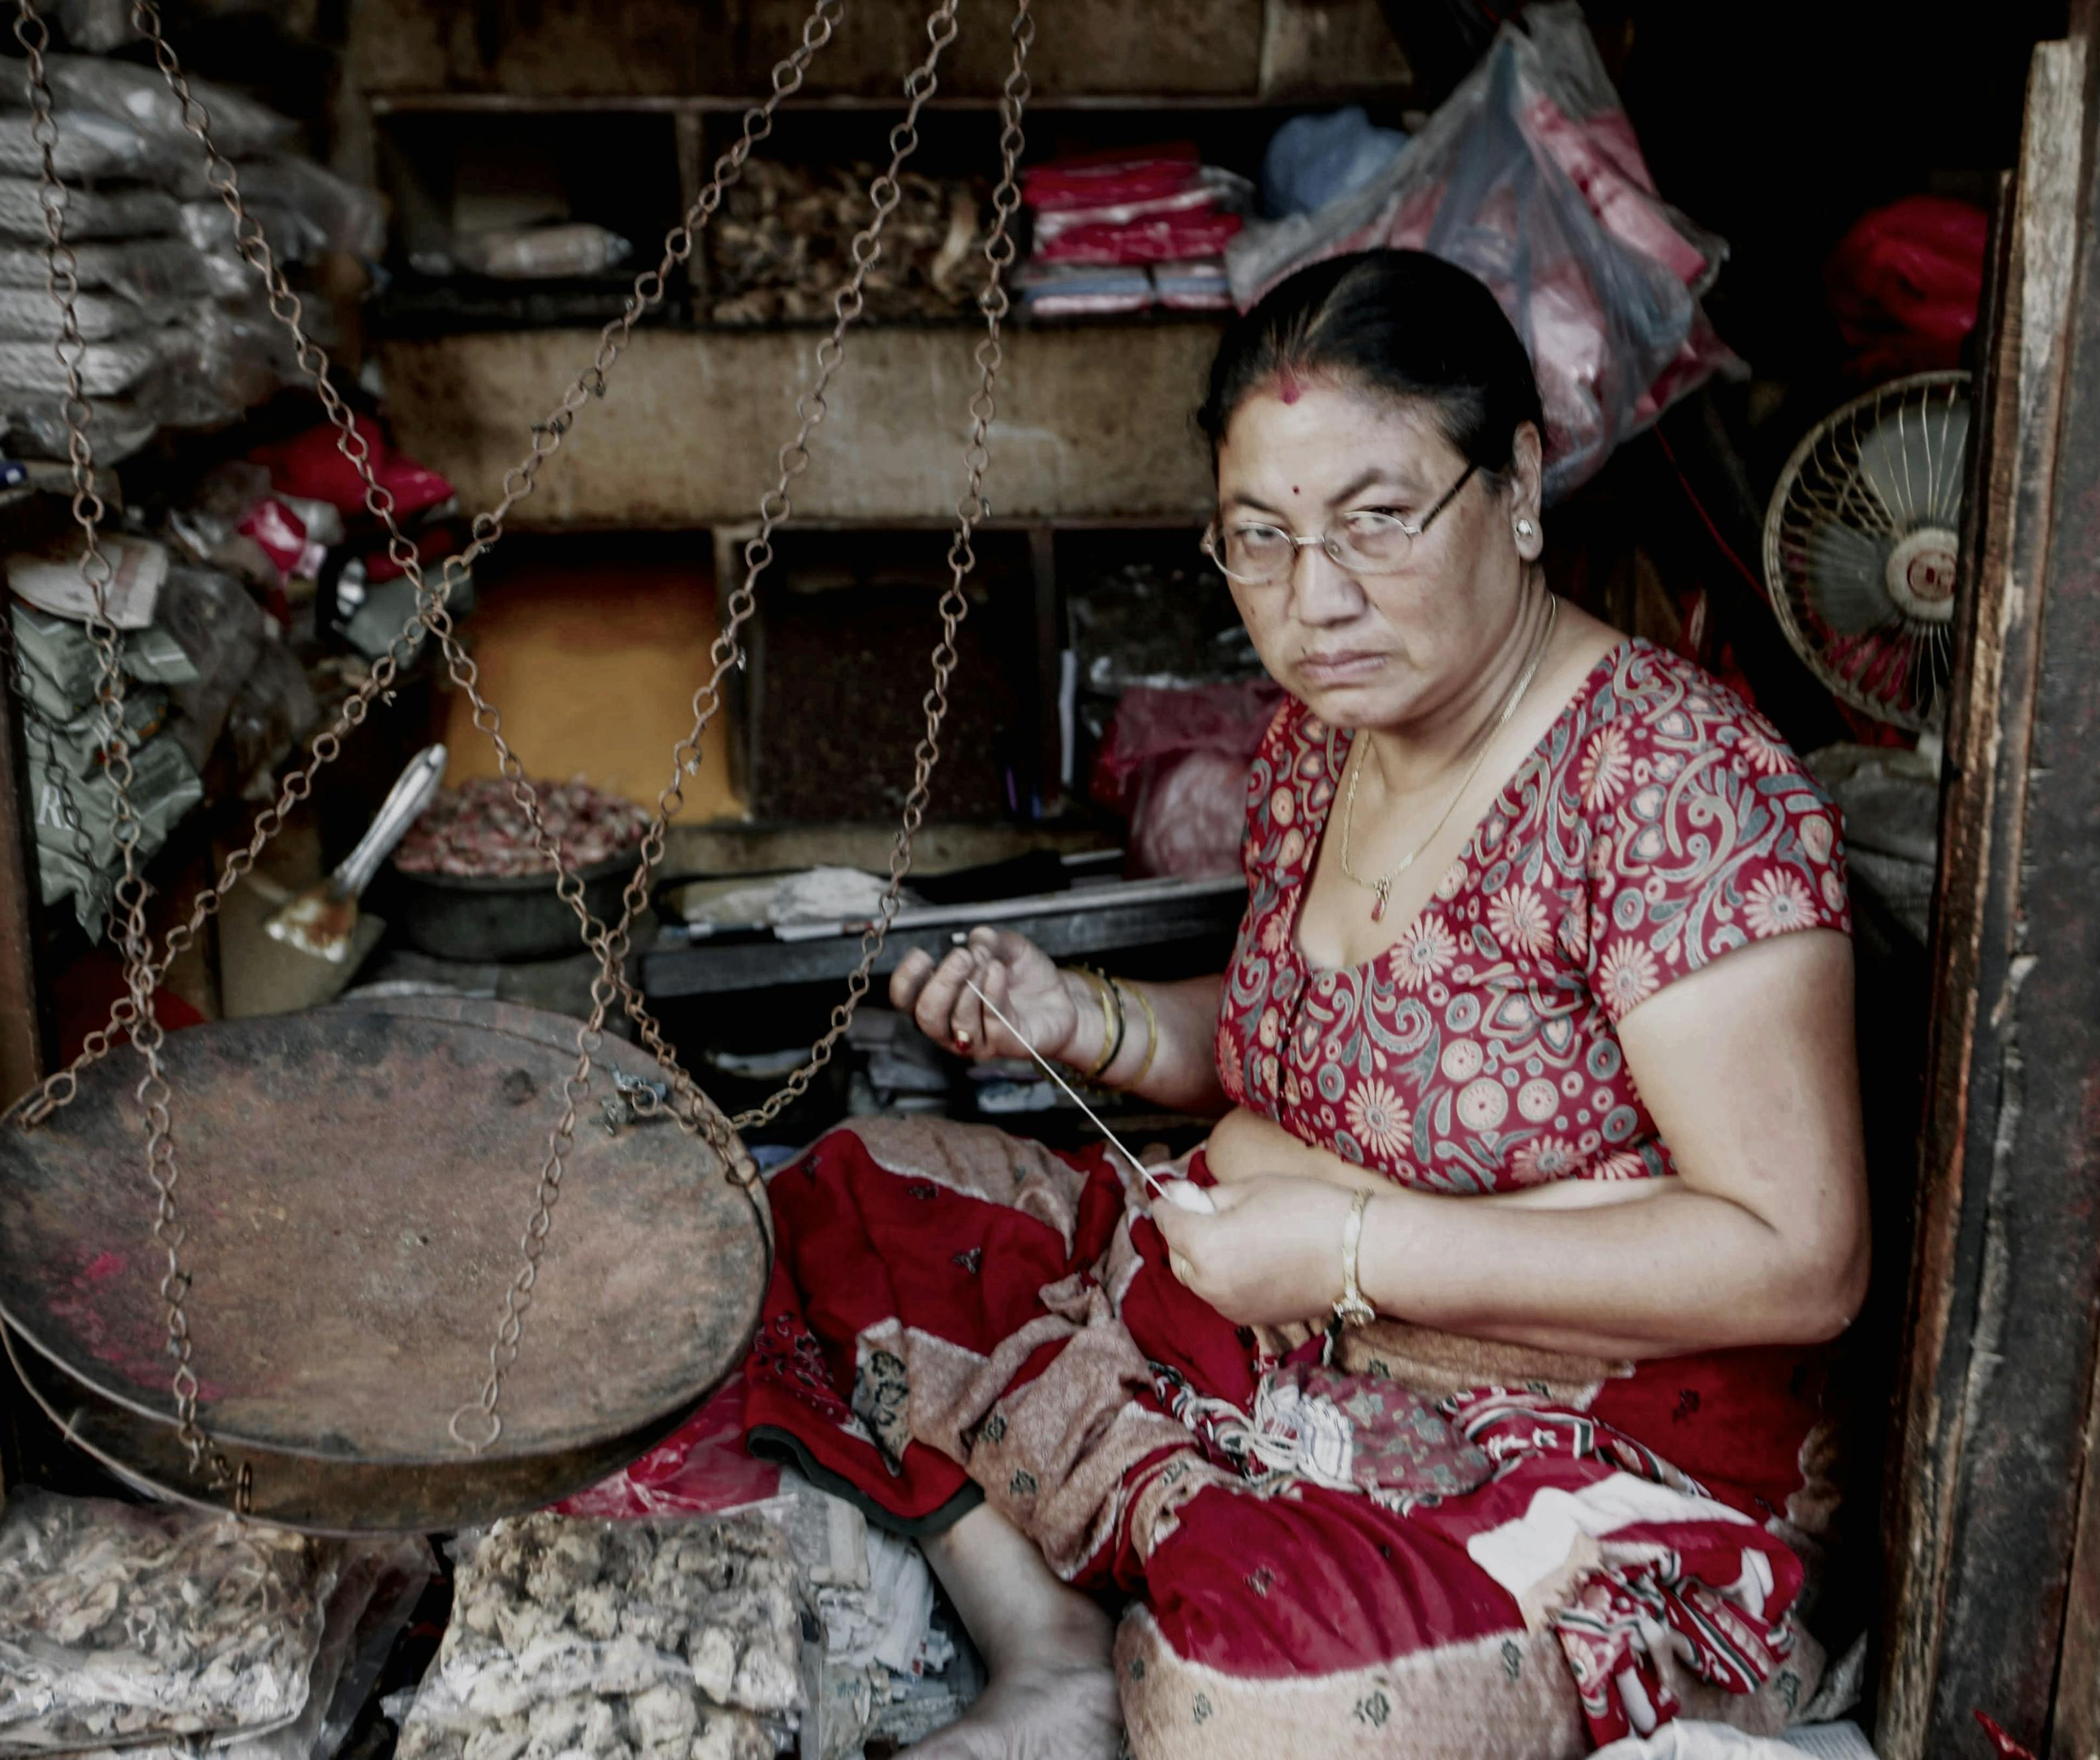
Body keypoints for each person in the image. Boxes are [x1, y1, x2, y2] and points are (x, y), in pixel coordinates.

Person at [740, 249, 1869, 1759]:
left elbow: (1797, 1259)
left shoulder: (1666, 784)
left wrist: (1345, 1245)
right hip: (1258, 1307)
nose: (1313, 600)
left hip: (1560, 1423)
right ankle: (1056, 1651)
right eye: (1257, 540)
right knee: (846, 1193)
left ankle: (1204, 1600)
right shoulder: (1325, 739)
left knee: (1252, 1699)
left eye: (1376, 522)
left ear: (1517, 484)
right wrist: (1081, 1022)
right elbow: (1306, 1040)